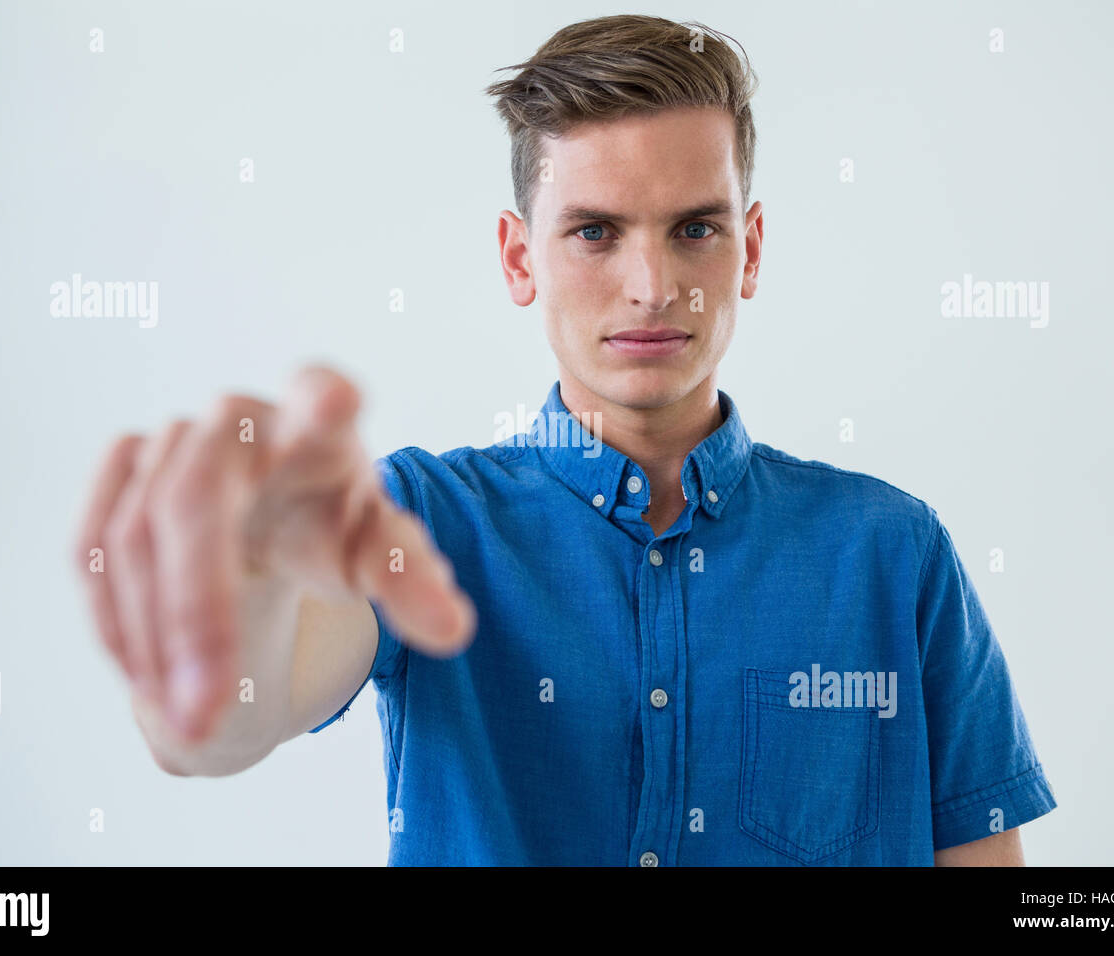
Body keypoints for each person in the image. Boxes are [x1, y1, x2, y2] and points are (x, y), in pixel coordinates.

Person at [73, 14, 1055, 866]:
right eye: (594, 232)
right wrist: (237, 605)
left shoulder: (894, 552)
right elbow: (228, 719)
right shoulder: (413, 521)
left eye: (694, 229)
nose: (651, 287)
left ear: (749, 248)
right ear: (519, 258)